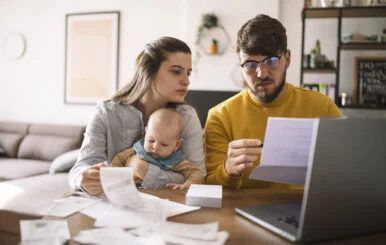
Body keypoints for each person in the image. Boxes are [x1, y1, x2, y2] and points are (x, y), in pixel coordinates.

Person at [204, 14, 342, 189]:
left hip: (306, 210)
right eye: (250, 65)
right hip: (242, 212)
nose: (262, 74)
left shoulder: (323, 107)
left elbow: (346, 171)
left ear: (288, 59)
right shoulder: (220, 116)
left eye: (271, 61)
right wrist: (228, 170)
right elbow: (210, 187)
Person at [69, 36, 205, 195]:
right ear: (149, 71)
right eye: (176, 72)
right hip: (112, 208)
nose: (186, 81)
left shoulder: (187, 117)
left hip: (169, 208)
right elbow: (80, 168)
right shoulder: (106, 112)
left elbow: (199, 176)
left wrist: (144, 171)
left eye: (188, 73)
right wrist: (83, 178)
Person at [111, 108, 204, 190]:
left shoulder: (175, 161)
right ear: (146, 132)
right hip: (130, 191)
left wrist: (187, 185)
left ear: (177, 145)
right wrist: (114, 176)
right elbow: (119, 159)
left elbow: (196, 173)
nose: (155, 147)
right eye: (151, 140)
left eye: (164, 144)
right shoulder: (138, 148)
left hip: (159, 195)